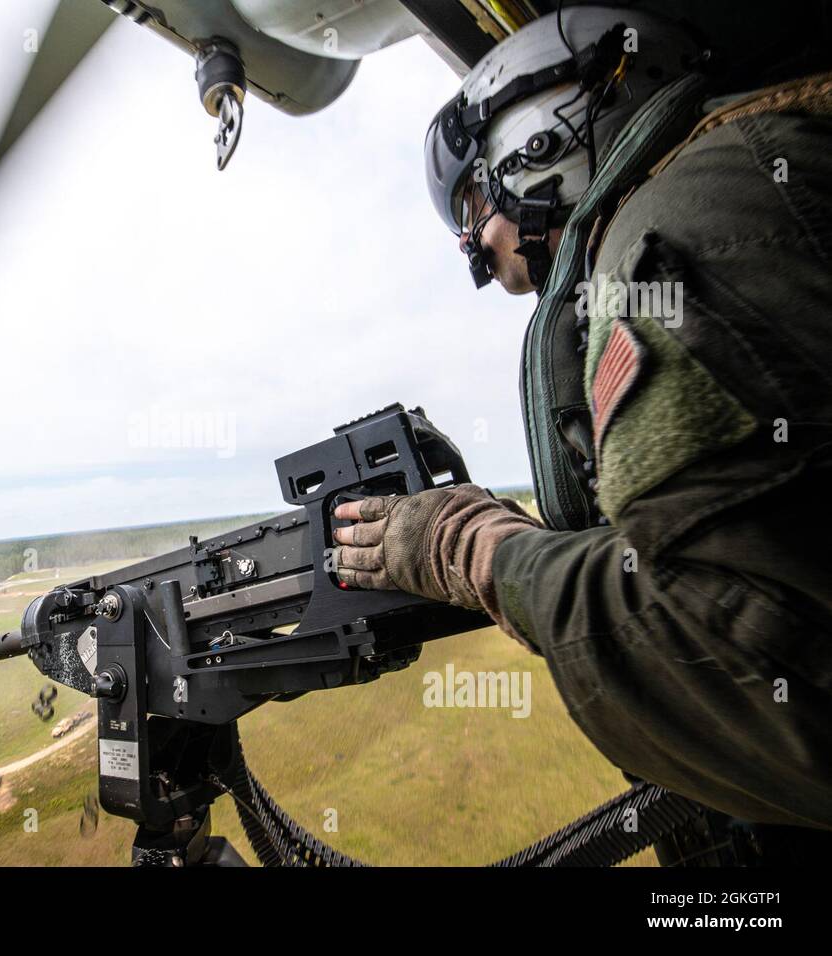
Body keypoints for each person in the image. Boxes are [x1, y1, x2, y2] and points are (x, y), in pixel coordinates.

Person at [332, 5, 832, 853]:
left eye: (472, 202)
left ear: (538, 140)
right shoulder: (755, 176)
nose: (474, 244)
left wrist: (478, 552)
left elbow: (752, 668)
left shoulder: (678, 232)